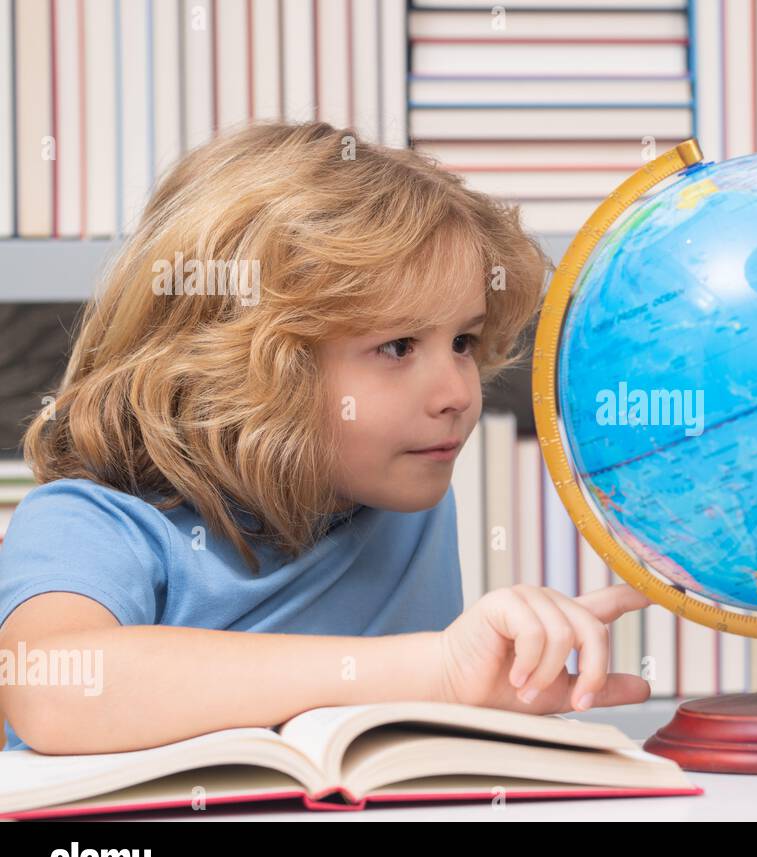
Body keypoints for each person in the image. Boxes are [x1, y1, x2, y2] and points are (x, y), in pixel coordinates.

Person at [0, 121, 651, 755]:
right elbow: (48, 687)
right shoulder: (91, 522)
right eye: (397, 346)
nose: (457, 391)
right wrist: (438, 670)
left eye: (463, 341)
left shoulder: (401, 500)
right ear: (239, 365)